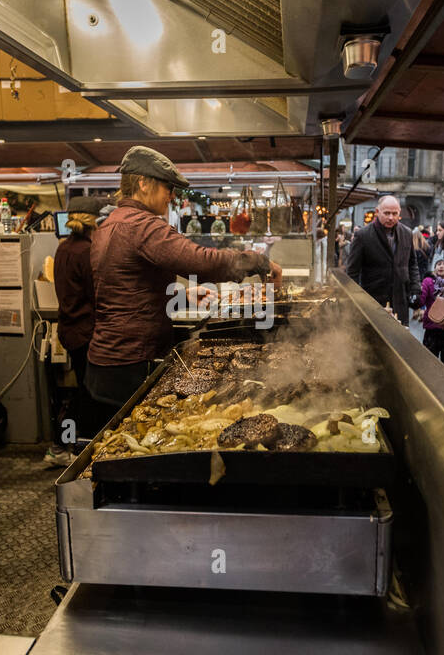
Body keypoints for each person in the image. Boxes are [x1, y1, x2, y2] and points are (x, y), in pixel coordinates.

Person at [86, 146, 280, 414]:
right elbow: (202, 261)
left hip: (105, 363)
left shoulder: (109, 225)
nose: (172, 195)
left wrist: (182, 296)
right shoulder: (142, 226)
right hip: (132, 364)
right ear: (143, 183)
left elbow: (126, 290)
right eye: (167, 187)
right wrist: (259, 260)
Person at [49, 194, 106, 466]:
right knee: (88, 392)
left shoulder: (63, 248)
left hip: (70, 330)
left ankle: (66, 445)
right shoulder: (87, 252)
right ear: (92, 221)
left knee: (83, 389)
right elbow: (96, 295)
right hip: (86, 332)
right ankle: (68, 446)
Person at [345, 195, 422, 318]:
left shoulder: (407, 233)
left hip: (399, 301)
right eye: (386, 213)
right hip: (372, 301)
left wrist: (415, 289)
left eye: (394, 213)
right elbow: (352, 272)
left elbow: (412, 264)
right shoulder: (362, 235)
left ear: (399, 213)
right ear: (377, 212)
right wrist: (355, 300)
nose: (391, 217)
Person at [416, 260, 444, 366]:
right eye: (438, 264)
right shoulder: (428, 281)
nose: (441, 267)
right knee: (429, 363)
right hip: (431, 327)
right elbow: (421, 300)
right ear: (435, 268)